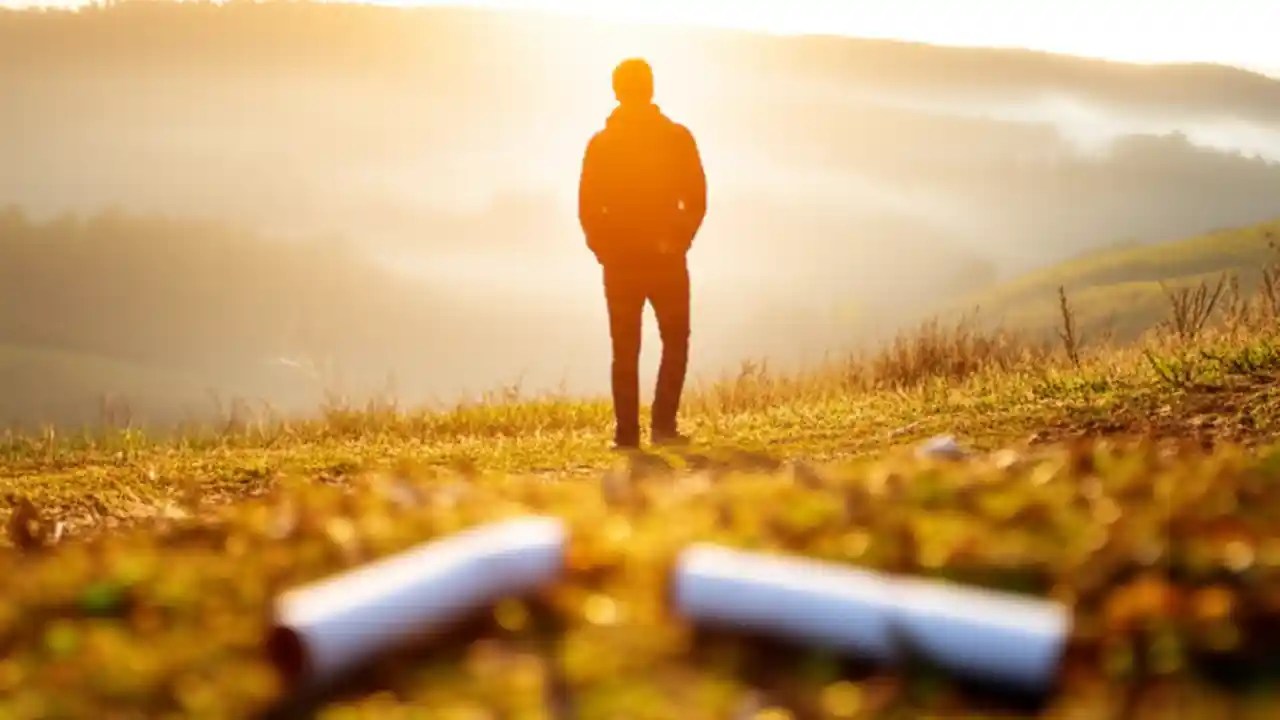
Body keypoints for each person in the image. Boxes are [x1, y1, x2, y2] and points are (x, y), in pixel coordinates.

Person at [578, 58, 707, 450]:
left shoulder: (601, 144)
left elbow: (587, 208)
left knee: (625, 348)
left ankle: (627, 436)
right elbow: (697, 198)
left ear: (616, 91)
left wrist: (605, 250)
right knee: (675, 340)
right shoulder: (676, 137)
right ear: (651, 89)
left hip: (621, 263)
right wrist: (680, 239)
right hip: (667, 259)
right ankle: (664, 427)